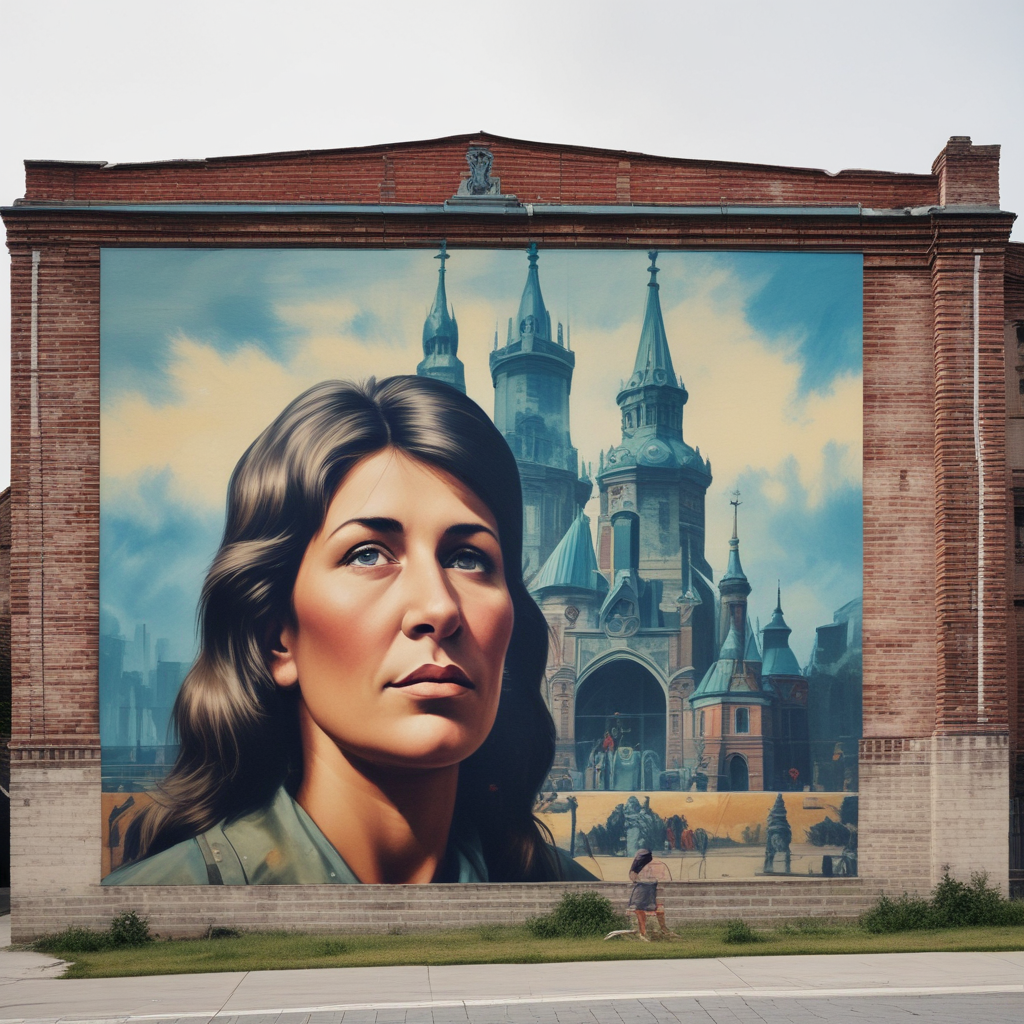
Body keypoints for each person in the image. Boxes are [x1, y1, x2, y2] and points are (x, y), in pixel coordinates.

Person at [105, 376, 596, 886]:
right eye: (368, 555)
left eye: (468, 558)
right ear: (277, 638)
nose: (438, 607)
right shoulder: (155, 902)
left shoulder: (577, 900)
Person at [626, 848, 672, 939]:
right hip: (642, 891)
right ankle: (643, 933)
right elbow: (633, 877)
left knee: (658, 908)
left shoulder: (657, 864)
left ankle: (663, 930)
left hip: (653, 890)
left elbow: (664, 878)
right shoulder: (638, 866)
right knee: (640, 910)